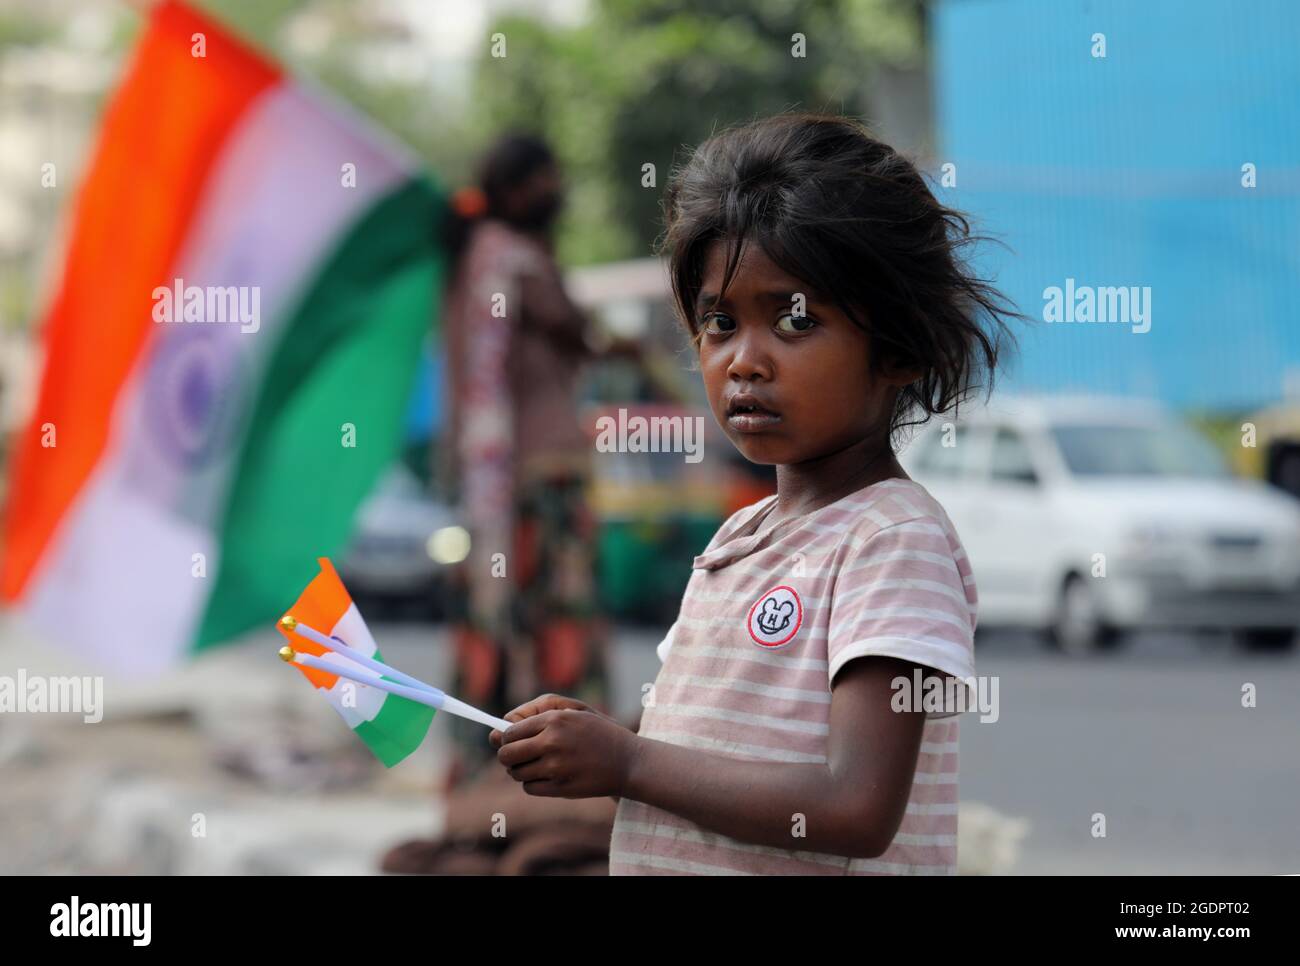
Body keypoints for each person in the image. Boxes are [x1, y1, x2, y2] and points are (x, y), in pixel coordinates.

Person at [489, 113, 1020, 874]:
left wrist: (629, 762)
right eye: (721, 321)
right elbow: (697, 739)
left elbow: (855, 806)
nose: (744, 360)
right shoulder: (738, 538)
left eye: (793, 320)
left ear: (900, 349)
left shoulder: (890, 540)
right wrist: (592, 739)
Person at [439, 133, 611, 785]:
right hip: (545, 474)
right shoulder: (517, 259)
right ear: (514, 191)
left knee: (495, 618)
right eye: (546, 179)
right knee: (560, 616)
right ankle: (567, 766)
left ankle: (485, 770)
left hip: (491, 482)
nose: (556, 192)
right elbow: (576, 328)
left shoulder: (468, 260)